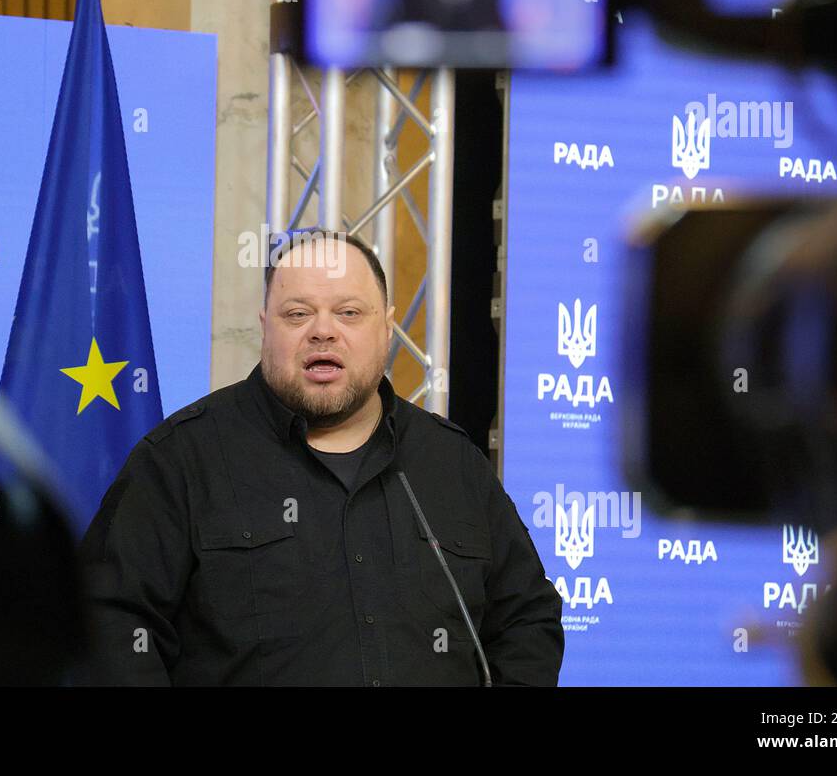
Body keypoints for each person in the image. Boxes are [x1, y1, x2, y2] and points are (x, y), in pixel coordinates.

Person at [75, 228, 562, 685]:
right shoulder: (180, 459)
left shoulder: (451, 461)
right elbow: (110, 626)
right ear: (265, 328)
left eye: (349, 313)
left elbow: (527, 619)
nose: (322, 332)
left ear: (387, 329)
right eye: (297, 314)